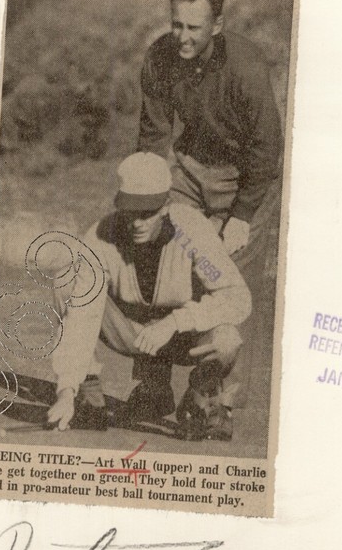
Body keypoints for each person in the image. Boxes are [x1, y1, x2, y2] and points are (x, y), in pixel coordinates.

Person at [137, 0, 283, 403]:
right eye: (176, 24)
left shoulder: (246, 66)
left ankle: (213, 400)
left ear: (217, 25)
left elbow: (266, 147)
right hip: (190, 168)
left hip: (245, 177)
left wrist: (242, 215)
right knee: (161, 255)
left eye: (193, 28)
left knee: (233, 283)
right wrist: (147, 199)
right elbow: (153, 136)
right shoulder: (160, 57)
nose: (182, 36)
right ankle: (152, 385)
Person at [47, 152, 251, 441]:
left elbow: (237, 297)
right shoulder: (101, 237)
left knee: (226, 339)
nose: (137, 223)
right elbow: (81, 315)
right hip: (132, 332)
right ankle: (85, 392)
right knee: (67, 281)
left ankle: (201, 399)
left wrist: (175, 322)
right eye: (130, 211)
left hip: (182, 337)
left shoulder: (192, 230)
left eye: (148, 213)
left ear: (166, 207)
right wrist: (66, 390)